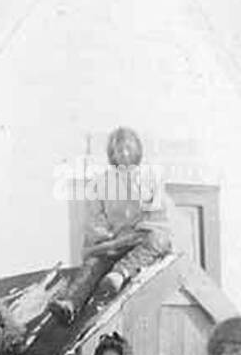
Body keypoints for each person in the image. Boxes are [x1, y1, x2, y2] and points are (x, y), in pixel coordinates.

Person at [48, 127, 174, 324]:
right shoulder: (102, 183)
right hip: (113, 243)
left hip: (140, 239)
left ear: (136, 150)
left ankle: (119, 273)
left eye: (127, 148)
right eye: (118, 150)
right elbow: (94, 218)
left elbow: (157, 213)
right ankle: (70, 303)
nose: (123, 154)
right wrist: (108, 240)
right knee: (94, 263)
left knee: (157, 239)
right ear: (111, 154)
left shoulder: (149, 177)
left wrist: (137, 232)